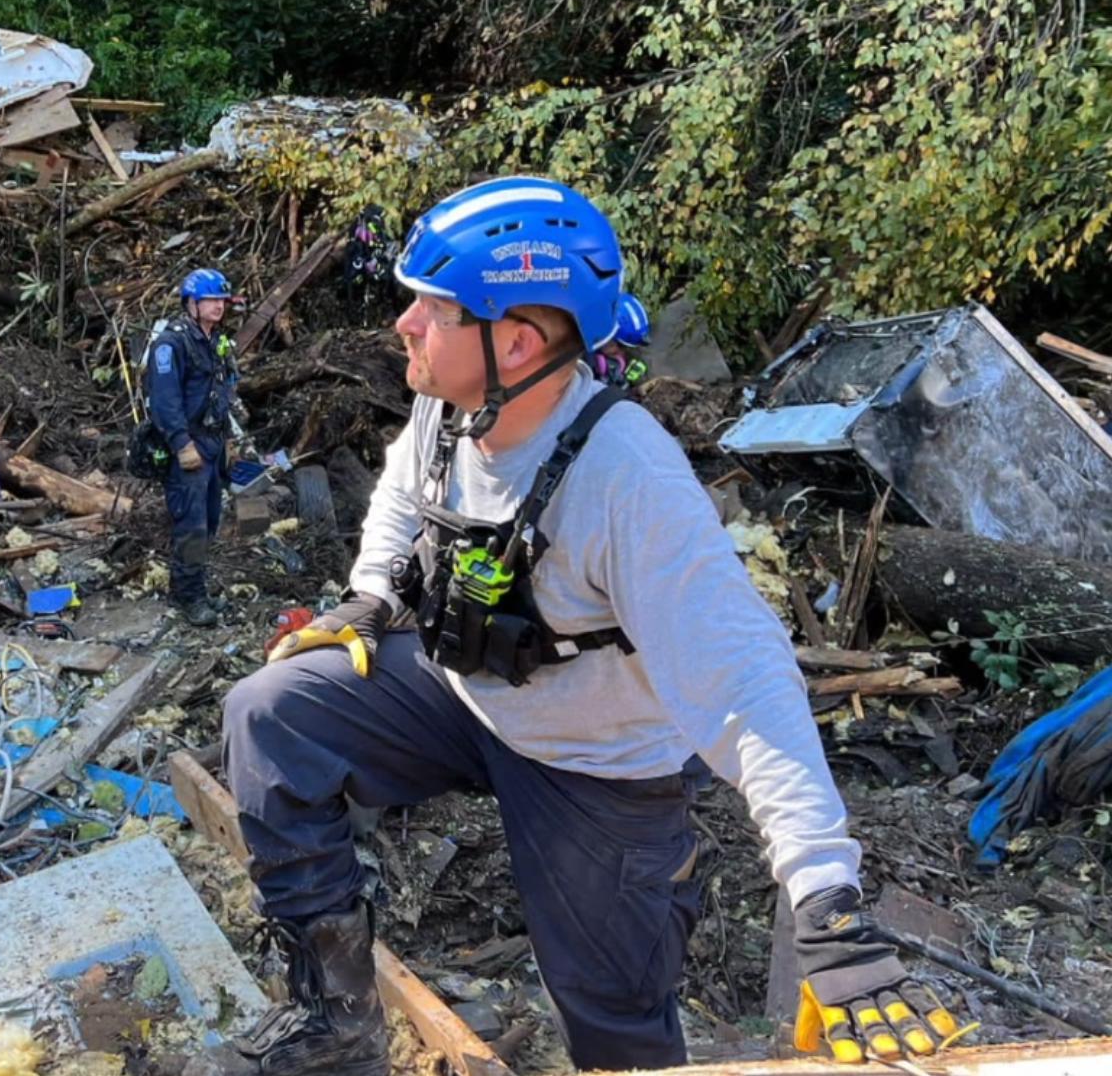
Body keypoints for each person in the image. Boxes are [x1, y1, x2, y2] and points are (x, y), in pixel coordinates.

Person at [189, 176, 974, 1075]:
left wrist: (827, 899)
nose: (404, 324)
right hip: (466, 698)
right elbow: (405, 497)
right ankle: (336, 1028)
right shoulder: (447, 407)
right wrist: (372, 595)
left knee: (614, 1024)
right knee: (274, 712)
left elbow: (749, 684)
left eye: (433, 310)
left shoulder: (629, 478)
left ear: (515, 341)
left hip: (599, 769)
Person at [148, 268, 242, 628]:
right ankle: (188, 598)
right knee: (191, 526)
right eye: (210, 299)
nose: (219, 306)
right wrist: (180, 443)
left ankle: (195, 588)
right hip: (189, 449)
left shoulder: (215, 341)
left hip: (213, 445)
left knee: (210, 521)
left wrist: (229, 440)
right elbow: (164, 400)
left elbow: (222, 393)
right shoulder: (172, 344)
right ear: (191, 302)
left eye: (221, 300)